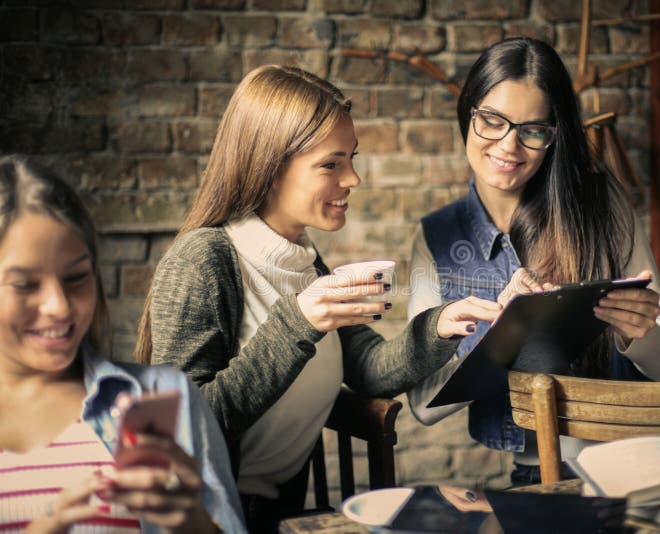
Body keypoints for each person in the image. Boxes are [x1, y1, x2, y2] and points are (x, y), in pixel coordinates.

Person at [134, 64, 501, 531]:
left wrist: (440, 324)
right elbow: (178, 429)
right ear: (268, 167)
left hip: (278, 517)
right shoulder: (203, 260)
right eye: (331, 163)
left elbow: (370, 370)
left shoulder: (304, 260)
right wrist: (297, 324)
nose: (353, 179)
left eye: (352, 158)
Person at [406, 37, 660, 485]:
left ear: (555, 136)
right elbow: (422, 404)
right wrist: (501, 338)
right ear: (468, 114)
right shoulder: (436, 237)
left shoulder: (600, 203)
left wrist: (640, 333)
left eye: (533, 130)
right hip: (535, 480)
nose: (509, 146)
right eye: (492, 121)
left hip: (631, 465)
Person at [0, 156, 245, 533]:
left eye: (76, 277)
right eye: (24, 284)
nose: (59, 306)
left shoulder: (166, 396)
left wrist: (193, 522)